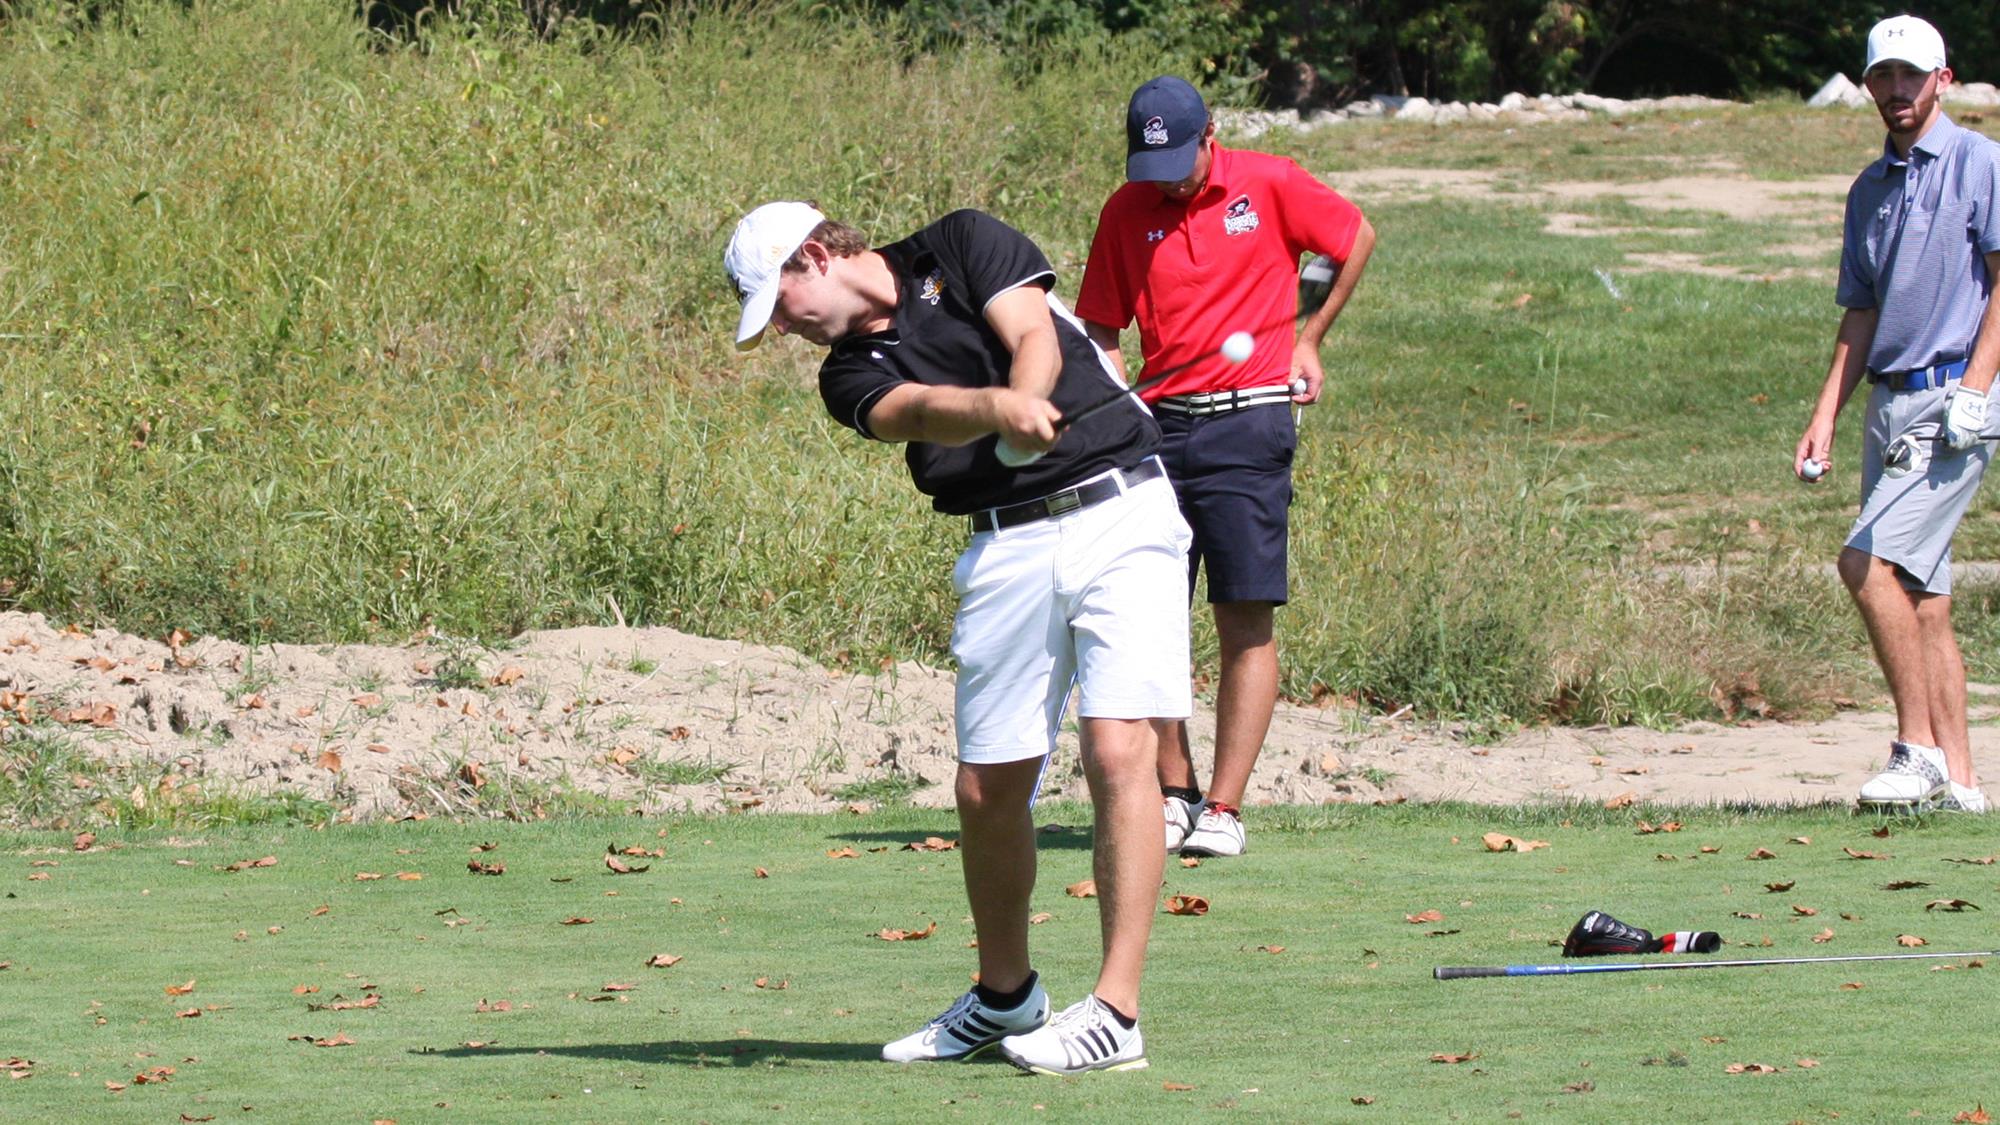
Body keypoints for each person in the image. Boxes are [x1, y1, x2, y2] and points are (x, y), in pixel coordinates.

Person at [723, 201, 1194, 1074]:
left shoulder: (960, 241)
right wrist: (994, 411)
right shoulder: (843, 374)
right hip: (1004, 540)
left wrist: (1026, 397)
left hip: (1121, 505)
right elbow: (921, 413)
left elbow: (1034, 334)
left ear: (816, 256)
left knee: (1118, 748)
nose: (785, 328)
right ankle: (1008, 995)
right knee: (986, 786)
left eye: (781, 305)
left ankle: (1117, 1011)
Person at [1076, 76, 1375, 855]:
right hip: (1157, 432)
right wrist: (1115, 414)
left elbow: (1354, 239)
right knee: (1149, 617)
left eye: (1181, 159)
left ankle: (1224, 806)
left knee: (1244, 614)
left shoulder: (1269, 182)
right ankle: (1172, 791)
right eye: (1155, 165)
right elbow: (1101, 328)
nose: (1170, 179)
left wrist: (1310, 338)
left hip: (1251, 424)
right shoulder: (1125, 209)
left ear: (1211, 134)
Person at [1795, 14, 1999, 813]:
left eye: (1912, 76)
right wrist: (1826, 417)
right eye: (1883, 77)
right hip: (1889, 402)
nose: (1897, 91)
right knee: (1923, 596)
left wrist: (1976, 391)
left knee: (1865, 564)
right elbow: (1861, 315)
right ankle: (1965, 785)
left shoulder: (1982, 164)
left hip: (1954, 398)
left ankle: (1916, 750)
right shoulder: (1869, 189)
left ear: (1943, 80)